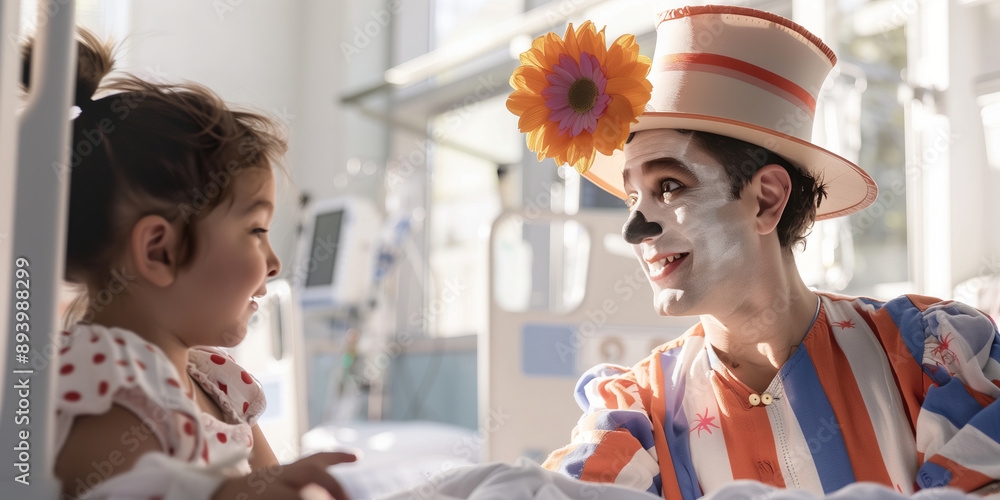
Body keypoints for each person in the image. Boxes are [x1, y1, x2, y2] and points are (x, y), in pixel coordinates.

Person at [506, 5, 1000, 498]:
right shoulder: (638, 414)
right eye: (632, 196)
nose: (634, 228)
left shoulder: (930, 356)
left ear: (766, 198)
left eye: (671, 186)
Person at [28, 30, 355, 499]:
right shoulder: (100, 379)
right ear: (159, 251)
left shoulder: (219, 386)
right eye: (257, 231)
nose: (275, 263)